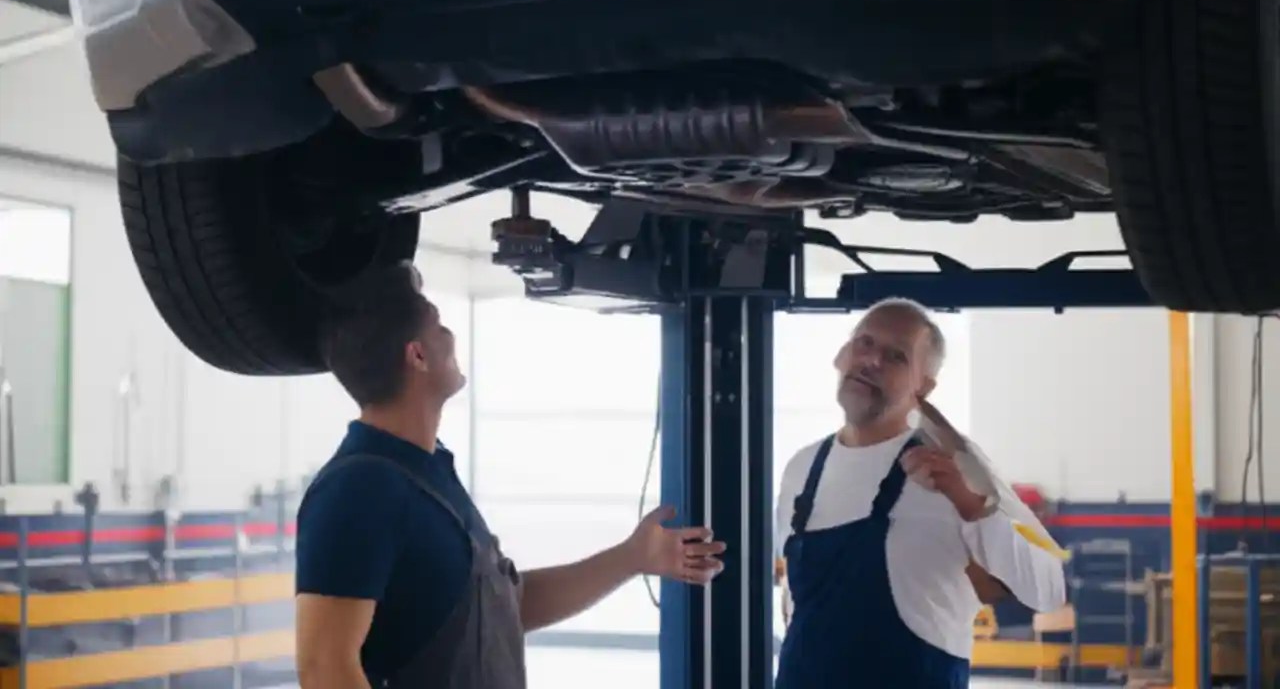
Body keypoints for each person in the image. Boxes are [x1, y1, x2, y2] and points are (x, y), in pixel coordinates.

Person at [294, 262, 726, 689]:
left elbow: (505, 610)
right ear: (418, 355)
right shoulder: (360, 490)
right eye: (439, 325)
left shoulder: (424, 472)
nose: (451, 336)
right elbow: (324, 668)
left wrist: (633, 557)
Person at [773, 298, 1067, 688]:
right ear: (842, 355)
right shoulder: (803, 468)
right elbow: (795, 604)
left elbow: (1048, 591)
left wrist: (971, 506)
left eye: (896, 356)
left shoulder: (955, 462)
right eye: (865, 343)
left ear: (923, 387)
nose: (873, 360)